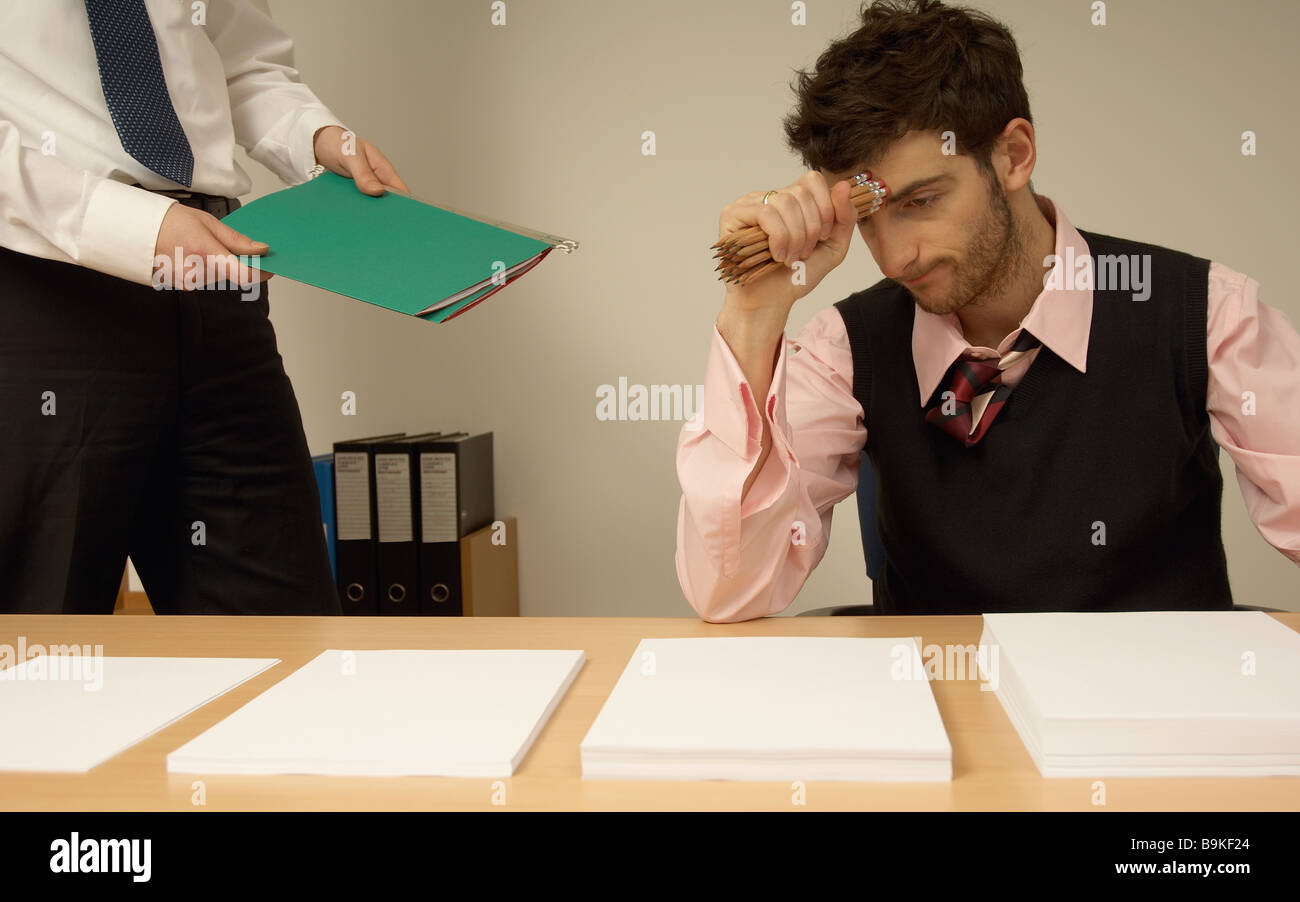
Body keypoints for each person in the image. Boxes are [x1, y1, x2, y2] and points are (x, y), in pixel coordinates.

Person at [675, 0, 1300, 621]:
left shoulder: (1206, 313)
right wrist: (756, 313)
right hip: (941, 707)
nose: (894, 258)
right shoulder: (846, 347)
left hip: (1162, 707)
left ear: (1013, 155)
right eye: (867, 217)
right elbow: (730, 591)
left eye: (921, 201)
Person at [0, 0, 408, 613]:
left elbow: (239, 59)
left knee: (281, 639)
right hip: (43, 289)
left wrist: (314, 137)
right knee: (37, 648)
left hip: (216, 286)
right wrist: (128, 224)